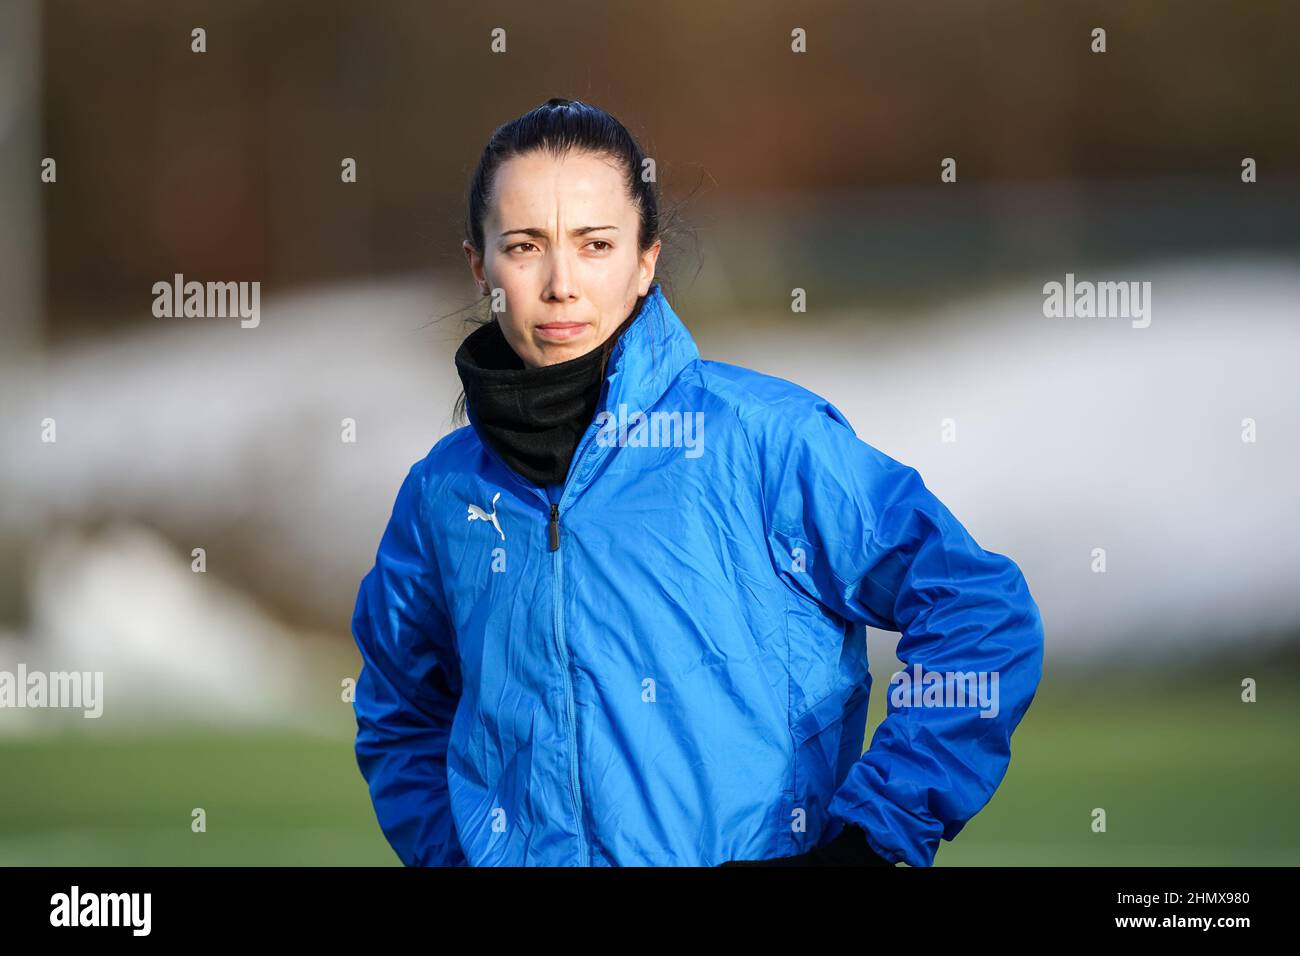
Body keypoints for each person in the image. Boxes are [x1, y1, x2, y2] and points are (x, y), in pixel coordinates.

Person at [350, 98, 1045, 867]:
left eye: (595, 244)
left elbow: (979, 610)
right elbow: (399, 717)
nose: (560, 283)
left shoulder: (763, 439)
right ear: (480, 265)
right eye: (524, 246)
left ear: (645, 260)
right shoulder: (441, 495)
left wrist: (875, 837)